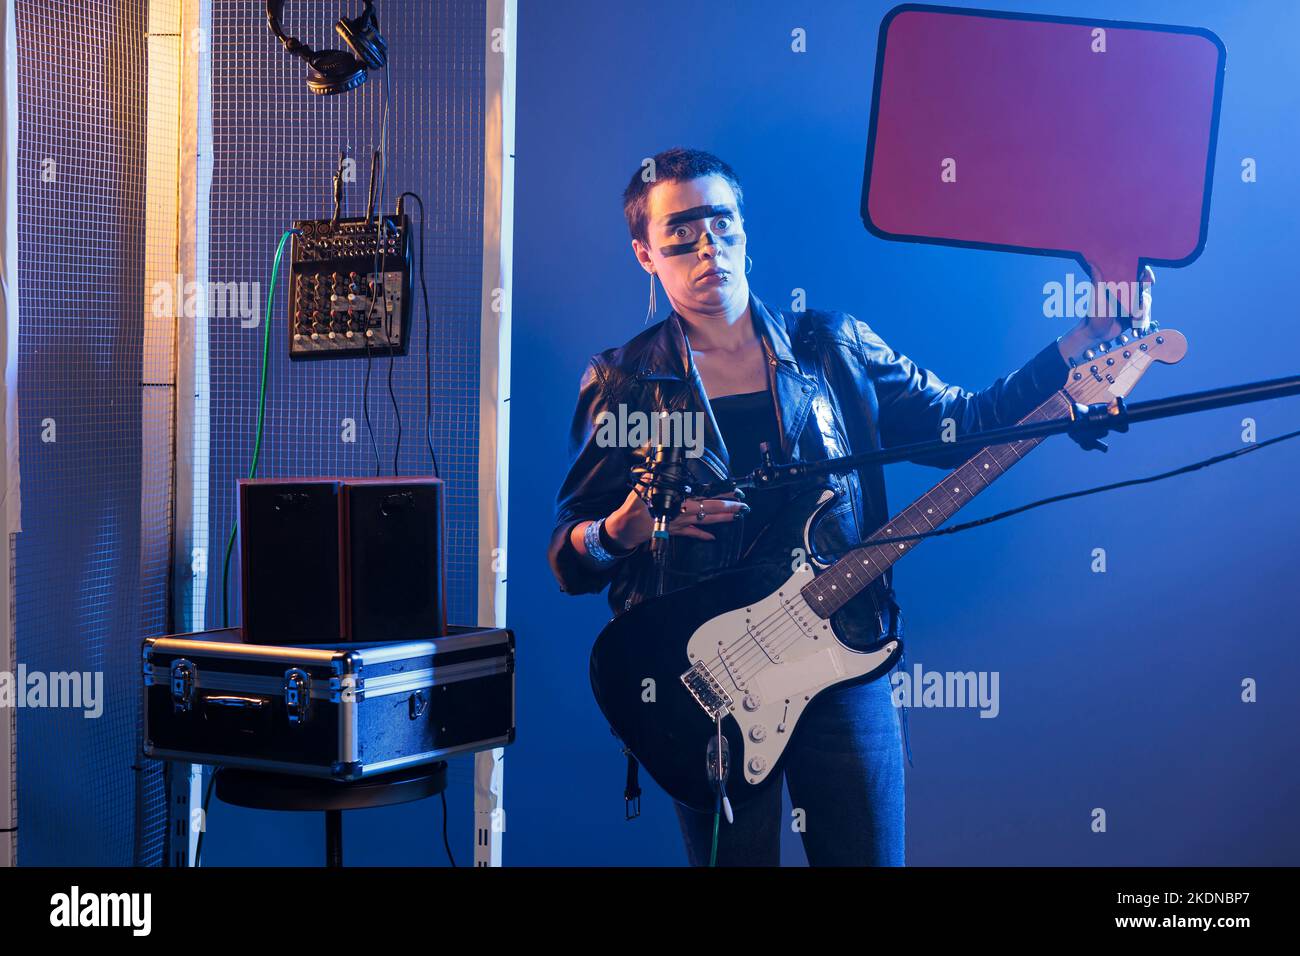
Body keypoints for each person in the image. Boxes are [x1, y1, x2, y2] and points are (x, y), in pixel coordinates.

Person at [547, 147, 1124, 865]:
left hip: (845, 649)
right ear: (645, 253)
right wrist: (624, 526)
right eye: (682, 232)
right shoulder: (626, 382)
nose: (708, 247)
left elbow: (965, 427)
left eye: (722, 224)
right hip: (711, 685)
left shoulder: (832, 348)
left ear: (745, 231)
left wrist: (1081, 341)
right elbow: (571, 562)